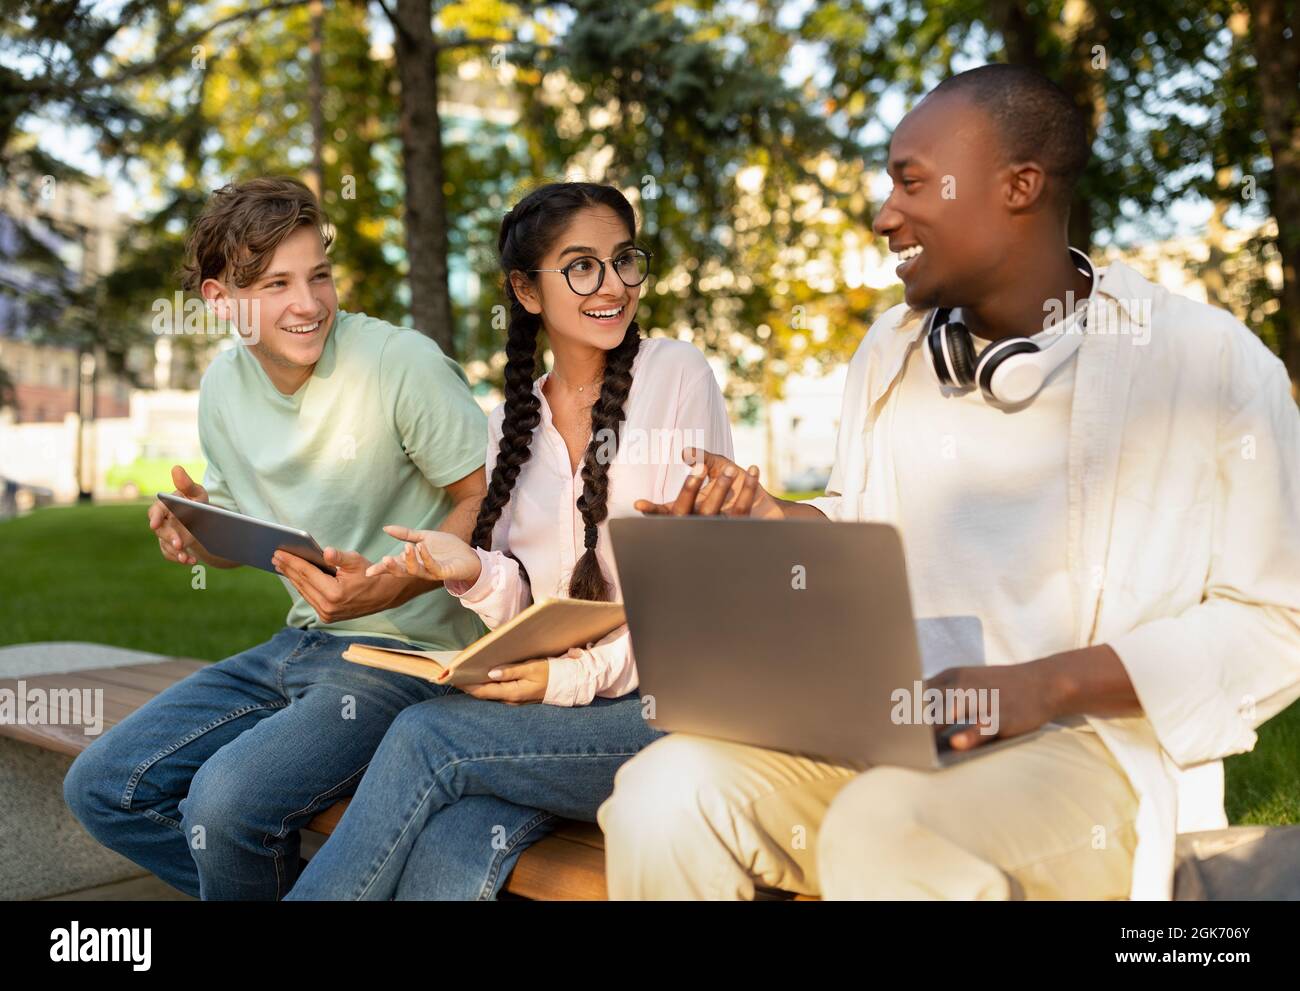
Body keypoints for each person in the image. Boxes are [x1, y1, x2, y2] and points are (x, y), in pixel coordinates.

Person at [598, 64, 1300, 900]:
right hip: (895, 736)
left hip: (1091, 756)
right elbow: (865, 525)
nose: (883, 215)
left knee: (886, 826)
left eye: (911, 183)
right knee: (660, 794)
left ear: (1019, 185)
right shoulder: (888, 356)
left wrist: (1040, 686)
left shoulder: (1205, 362)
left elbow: (1278, 619)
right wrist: (770, 515)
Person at [286, 180, 734, 900]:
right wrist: (471, 572)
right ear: (526, 292)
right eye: (581, 265)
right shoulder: (511, 424)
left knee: (427, 737)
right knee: (453, 838)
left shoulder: (675, 376)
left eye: (625, 260)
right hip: (563, 719)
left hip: (670, 711)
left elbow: (695, 603)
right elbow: (537, 605)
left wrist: (568, 679)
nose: (612, 285)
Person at [63, 177, 490, 900]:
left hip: (409, 658)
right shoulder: (223, 387)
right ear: (219, 300)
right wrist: (202, 529)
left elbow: (486, 497)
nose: (308, 303)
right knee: (102, 786)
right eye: (276, 284)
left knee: (224, 803)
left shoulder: (399, 363)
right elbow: (252, 538)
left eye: (317, 275)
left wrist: (400, 576)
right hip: (297, 645)